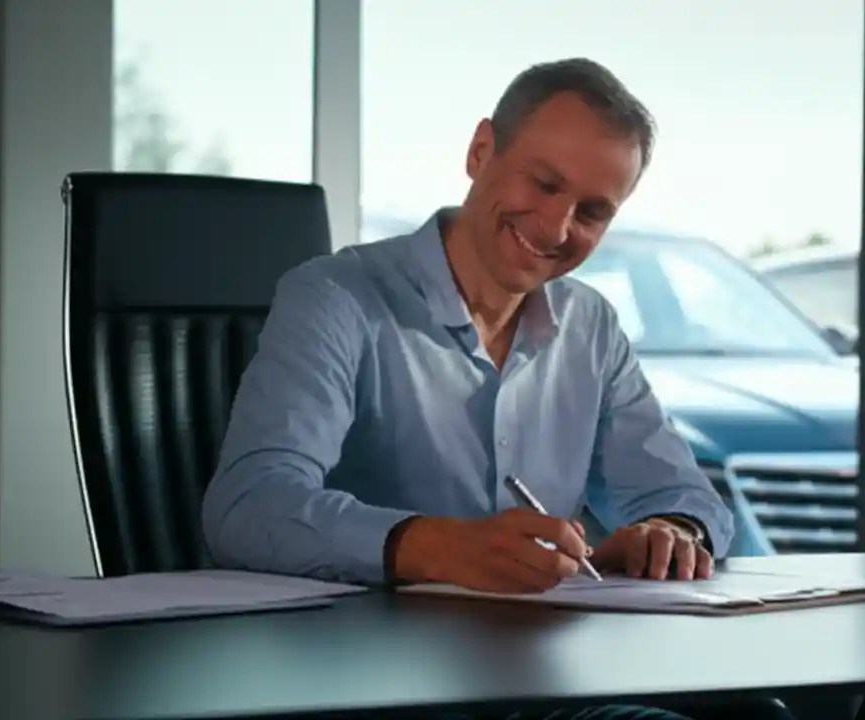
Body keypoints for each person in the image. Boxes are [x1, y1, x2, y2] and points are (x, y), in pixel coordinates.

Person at [202, 57, 806, 720]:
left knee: (766, 712)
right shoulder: (337, 298)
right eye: (543, 184)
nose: (555, 227)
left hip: (549, 676)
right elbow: (247, 508)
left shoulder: (590, 326)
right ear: (480, 150)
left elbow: (688, 499)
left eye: (592, 212)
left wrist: (670, 528)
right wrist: (437, 547)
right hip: (377, 685)